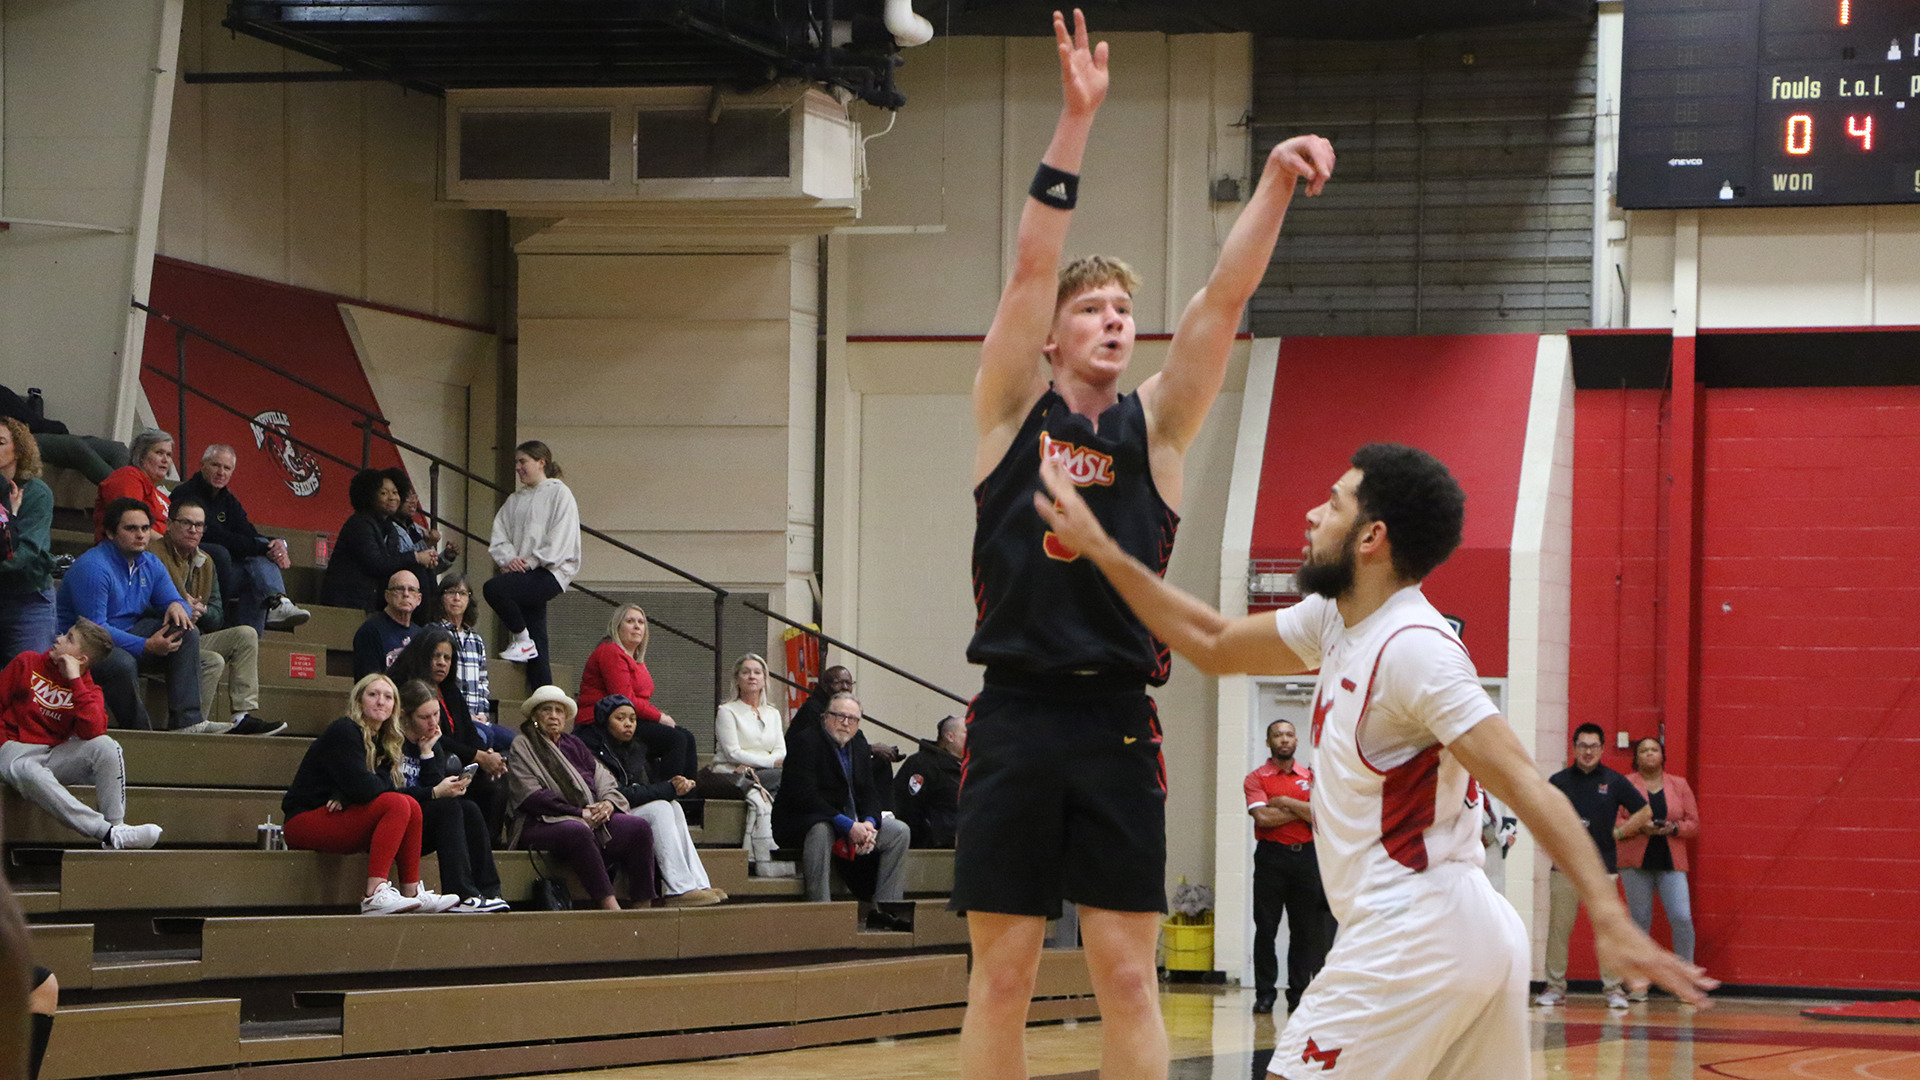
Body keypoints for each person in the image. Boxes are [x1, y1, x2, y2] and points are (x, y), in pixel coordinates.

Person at [1032, 442, 1715, 1079]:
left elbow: (1529, 784)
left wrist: (1608, 912)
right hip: (1465, 933)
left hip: (1416, 931)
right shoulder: (1335, 618)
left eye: (1332, 503)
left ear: (1371, 537)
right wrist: (1104, 554)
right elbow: (1212, 642)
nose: (1309, 514)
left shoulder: (1416, 650)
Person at [955, 13, 1336, 1079]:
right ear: (1052, 336)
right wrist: (1076, 120)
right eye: (1095, 309)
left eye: (1126, 308)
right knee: (1005, 976)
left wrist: (1270, 181)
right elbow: (1033, 259)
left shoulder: (1157, 428)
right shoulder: (1007, 415)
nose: (1117, 321)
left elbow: (1223, 298)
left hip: (1120, 718)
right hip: (1019, 714)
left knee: (1128, 976)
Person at [280, 673, 463, 915]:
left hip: (339, 815)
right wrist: (354, 790)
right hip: (305, 820)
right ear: (359, 702)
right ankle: (374, 893)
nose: (380, 701)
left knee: (411, 806)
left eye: (388, 697)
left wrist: (349, 792)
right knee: (397, 803)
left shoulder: (385, 741)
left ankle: (412, 892)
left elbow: (367, 786)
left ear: (395, 707)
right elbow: (365, 788)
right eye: (373, 695)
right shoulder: (345, 730)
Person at [55, 497, 222, 733]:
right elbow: (95, 631)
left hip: (126, 635)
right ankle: (141, 732)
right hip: (84, 645)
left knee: (185, 631)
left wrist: (177, 605)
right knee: (121, 663)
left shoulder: (148, 562)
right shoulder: (93, 567)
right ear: (111, 533)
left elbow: (177, 601)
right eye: (131, 528)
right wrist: (145, 646)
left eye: (145, 528)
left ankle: (187, 722)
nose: (141, 535)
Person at [0, 620, 164, 849]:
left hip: (53, 754)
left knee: (108, 746)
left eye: (69, 638)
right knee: (31, 772)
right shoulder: (27, 662)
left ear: (82, 659)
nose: (58, 638)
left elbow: (93, 731)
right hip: (14, 749)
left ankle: (117, 827)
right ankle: (107, 832)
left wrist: (75, 681)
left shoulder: (89, 690)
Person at [507, 686, 657, 910]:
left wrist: (607, 804)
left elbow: (603, 778)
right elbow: (532, 796)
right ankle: (610, 906)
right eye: (546, 710)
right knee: (578, 830)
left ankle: (643, 904)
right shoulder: (523, 745)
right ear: (535, 716)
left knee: (639, 827)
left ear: (566, 717)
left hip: (590, 816)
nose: (553, 715)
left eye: (559, 710)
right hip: (541, 822)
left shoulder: (574, 743)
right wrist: (579, 813)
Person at [1538, 722, 1653, 1011]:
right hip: (1565, 868)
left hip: (1603, 869)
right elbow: (1540, 813)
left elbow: (1645, 811)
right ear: (1574, 747)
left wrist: (1621, 833)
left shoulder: (1614, 781)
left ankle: (1613, 989)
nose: (1587, 751)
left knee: (1608, 929)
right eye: (1582, 745)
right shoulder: (1558, 781)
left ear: (1602, 749)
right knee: (1558, 929)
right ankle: (1554, 987)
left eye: (1593, 746)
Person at [773, 692, 911, 929]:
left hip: (851, 821)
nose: (846, 723)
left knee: (899, 831)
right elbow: (804, 797)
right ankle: (821, 912)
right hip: (803, 821)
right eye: (839, 716)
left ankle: (885, 909)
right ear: (825, 717)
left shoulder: (858, 743)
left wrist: (869, 823)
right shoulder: (805, 742)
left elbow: (869, 792)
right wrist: (849, 826)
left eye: (852, 718)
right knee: (821, 830)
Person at [576, 695, 725, 906]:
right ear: (604, 721)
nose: (628, 723)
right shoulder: (593, 749)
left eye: (633, 719)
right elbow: (617, 793)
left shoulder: (637, 749)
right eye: (620, 718)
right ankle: (678, 889)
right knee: (660, 809)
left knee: (674, 807)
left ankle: (699, 884)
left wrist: (673, 786)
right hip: (605, 814)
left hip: (626, 810)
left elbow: (643, 788)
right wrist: (666, 788)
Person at [153, 499, 285, 736]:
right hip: (161, 634)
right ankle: (191, 727)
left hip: (194, 633)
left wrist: (201, 612)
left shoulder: (206, 561)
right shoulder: (153, 555)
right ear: (169, 524)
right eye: (186, 523)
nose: (194, 530)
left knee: (246, 634)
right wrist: (177, 607)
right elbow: (141, 603)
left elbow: (217, 616)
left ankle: (241, 715)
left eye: (199, 525)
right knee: (213, 659)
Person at [393, 679, 510, 912]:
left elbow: (432, 788)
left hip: (423, 821)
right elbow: (392, 794)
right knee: (449, 808)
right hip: (397, 821)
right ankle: (460, 894)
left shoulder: (431, 742)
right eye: (424, 717)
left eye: (436, 714)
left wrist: (427, 756)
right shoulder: (392, 743)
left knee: (469, 808)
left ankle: (489, 890)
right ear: (406, 716)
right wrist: (435, 792)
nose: (433, 722)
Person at [1243, 719, 1333, 1015]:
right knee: (1266, 928)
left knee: (1304, 930)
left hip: (1306, 857)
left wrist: (1283, 802)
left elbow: (1320, 814)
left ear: (1296, 741)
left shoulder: (1310, 777)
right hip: (1271, 858)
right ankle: (1265, 994)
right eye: (1277, 735)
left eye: (1289, 735)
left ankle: (1297, 993)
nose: (1284, 739)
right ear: (1268, 742)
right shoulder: (1256, 778)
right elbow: (1263, 819)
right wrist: (1300, 810)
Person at [387, 628, 511, 843]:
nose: (442, 663)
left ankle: (492, 847)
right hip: (431, 762)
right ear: (422, 655)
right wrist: (478, 756)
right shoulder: (409, 689)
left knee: (498, 780)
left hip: (461, 760)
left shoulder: (450, 690)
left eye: (447, 657)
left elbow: (469, 733)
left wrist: (486, 754)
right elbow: (435, 735)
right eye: (436, 656)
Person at [172, 444, 310, 632]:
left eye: (227, 468)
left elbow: (248, 532)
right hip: (197, 569)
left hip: (226, 571)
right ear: (202, 465)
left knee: (256, 578)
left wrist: (275, 544)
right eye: (215, 465)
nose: (221, 472)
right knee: (255, 559)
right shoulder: (186, 494)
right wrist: (265, 548)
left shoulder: (228, 500)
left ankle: (250, 639)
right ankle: (277, 601)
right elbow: (217, 537)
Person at [485, 441, 581, 691]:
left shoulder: (560, 493)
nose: (517, 467)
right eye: (516, 462)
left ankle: (521, 639)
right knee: (539, 637)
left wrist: (532, 561)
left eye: (522, 461)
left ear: (541, 462)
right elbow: (500, 535)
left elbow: (561, 537)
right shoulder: (514, 500)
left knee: (494, 589)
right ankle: (545, 697)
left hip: (550, 571)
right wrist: (510, 559)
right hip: (524, 570)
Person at [1616, 736, 1698, 1003]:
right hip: (1635, 863)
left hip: (1670, 862)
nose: (1649, 754)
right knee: (1639, 923)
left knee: (1682, 917)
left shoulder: (1679, 785)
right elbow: (1615, 822)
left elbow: (1693, 823)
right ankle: (1639, 982)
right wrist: (1639, 827)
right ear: (1636, 757)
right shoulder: (1626, 784)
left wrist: (1673, 828)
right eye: (1643, 750)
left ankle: (1685, 980)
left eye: (1654, 750)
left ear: (1662, 756)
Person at [575, 603, 698, 780]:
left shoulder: (636, 660)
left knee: (687, 737)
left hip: (629, 718)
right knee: (676, 739)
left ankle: (690, 802)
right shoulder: (610, 651)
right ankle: (670, 794)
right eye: (630, 621)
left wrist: (657, 716)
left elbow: (639, 700)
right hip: (601, 721)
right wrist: (659, 717)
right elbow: (624, 699)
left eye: (641, 622)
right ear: (617, 627)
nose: (637, 626)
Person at [698, 653, 787, 877]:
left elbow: (781, 751)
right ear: (737, 679)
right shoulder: (727, 711)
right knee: (784, 779)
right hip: (731, 772)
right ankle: (767, 854)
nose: (752, 677)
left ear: (765, 679)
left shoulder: (773, 713)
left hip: (760, 772)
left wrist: (761, 763)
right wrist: (770, 762)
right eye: (746, 672)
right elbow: (732, 752)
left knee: (788, 779)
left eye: (757, 672)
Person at [323, 468, 438, 612]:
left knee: (420, 572)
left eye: (395, 493)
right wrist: (416, 557)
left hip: (374, 596)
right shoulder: (359, 524)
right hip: (349, 601)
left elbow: (394, 562)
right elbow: (376, 564)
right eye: (384, 493)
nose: (392, 498)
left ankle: (430, 624)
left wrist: (424, 558)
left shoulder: (389, 527)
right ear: (369, 496)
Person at [0, 419, 57, 664]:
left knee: (26, 680)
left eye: (0, 442)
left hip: (27, 600)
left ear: (19, 450)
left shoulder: (35, 493)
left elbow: (24, 553)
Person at [433, 574, 496, 734]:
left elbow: (483, 682)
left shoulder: (476, 639)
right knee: (484, 739)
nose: (456, 598)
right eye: (451, 592)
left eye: (462, 593)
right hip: (451, 720)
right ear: (441, 598)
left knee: (512, 741)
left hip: (478, 718)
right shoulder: (434, 633)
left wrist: (483, 714)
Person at [894, 715, 965, 849]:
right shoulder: (922, 764)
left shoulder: (972, 766)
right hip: (937, 845)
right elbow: (908, 806)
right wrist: (929, 837)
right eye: (968, 732)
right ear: (950, 737)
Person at [91, 429, 174, 543]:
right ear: (141, 456)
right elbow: (131, 522)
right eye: (159, 453)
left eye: (168, 455)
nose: (165, 460)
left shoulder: (160, 494)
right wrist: (169, 547)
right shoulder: (128, 477)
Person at [352, 570, 425, 680]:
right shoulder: (370, 631)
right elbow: (368, 682)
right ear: (387, 596)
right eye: (399, 589)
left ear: (419, 599)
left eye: (411, 590)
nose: (406, 594)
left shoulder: (421, 635)